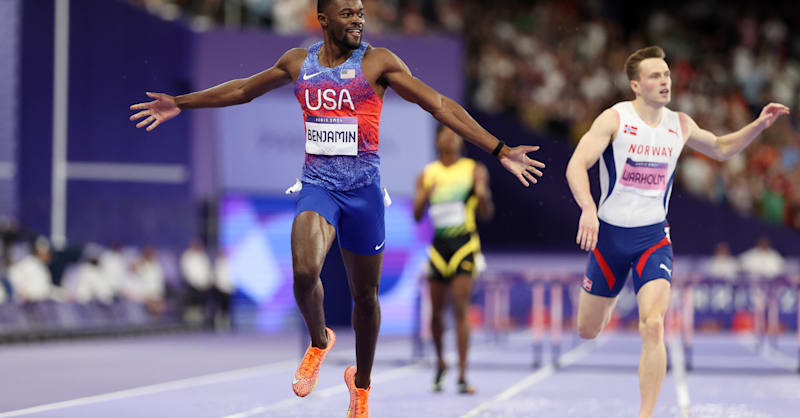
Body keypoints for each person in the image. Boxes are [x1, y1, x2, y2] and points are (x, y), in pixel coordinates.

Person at [130, 0, 545, 415]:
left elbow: (438, 103)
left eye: (361, 12)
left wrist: (500, 148)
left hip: (364, 194)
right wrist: (181, 102)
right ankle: (319, 341)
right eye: (347, 13)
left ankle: (361, 385)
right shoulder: (298, 62)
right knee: (305, 270)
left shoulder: (378, 62)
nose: (358, 19)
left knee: (365, 298)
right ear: (323, 19)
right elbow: (241, 89)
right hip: (319, 187)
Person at [565, 46, 788, 418]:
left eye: (667, 74)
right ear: (636, 85)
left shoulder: (679, 124)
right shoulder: (614, 119)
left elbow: (719, 147)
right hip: (609, 240)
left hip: (653, 239)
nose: (665, 81)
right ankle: (605, 298)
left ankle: (646, 414)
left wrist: (759, 125)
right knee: (588, 330)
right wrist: (588, 209)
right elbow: (576, 166)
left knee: (652, 325)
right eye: (655, 75)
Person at [413, 125, 492, 394]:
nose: (451, 137)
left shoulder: (473, 170)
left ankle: (462, 373)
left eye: (455, 133)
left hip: (464, 246)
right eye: (445, 133)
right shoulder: (428, 173)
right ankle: (440, 363)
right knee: (435, 314)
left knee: (460, 310)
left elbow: (486, 212)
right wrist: (424, 194)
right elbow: (416, 215)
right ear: (437, 140)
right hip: (438, 247)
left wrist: (482, 196)